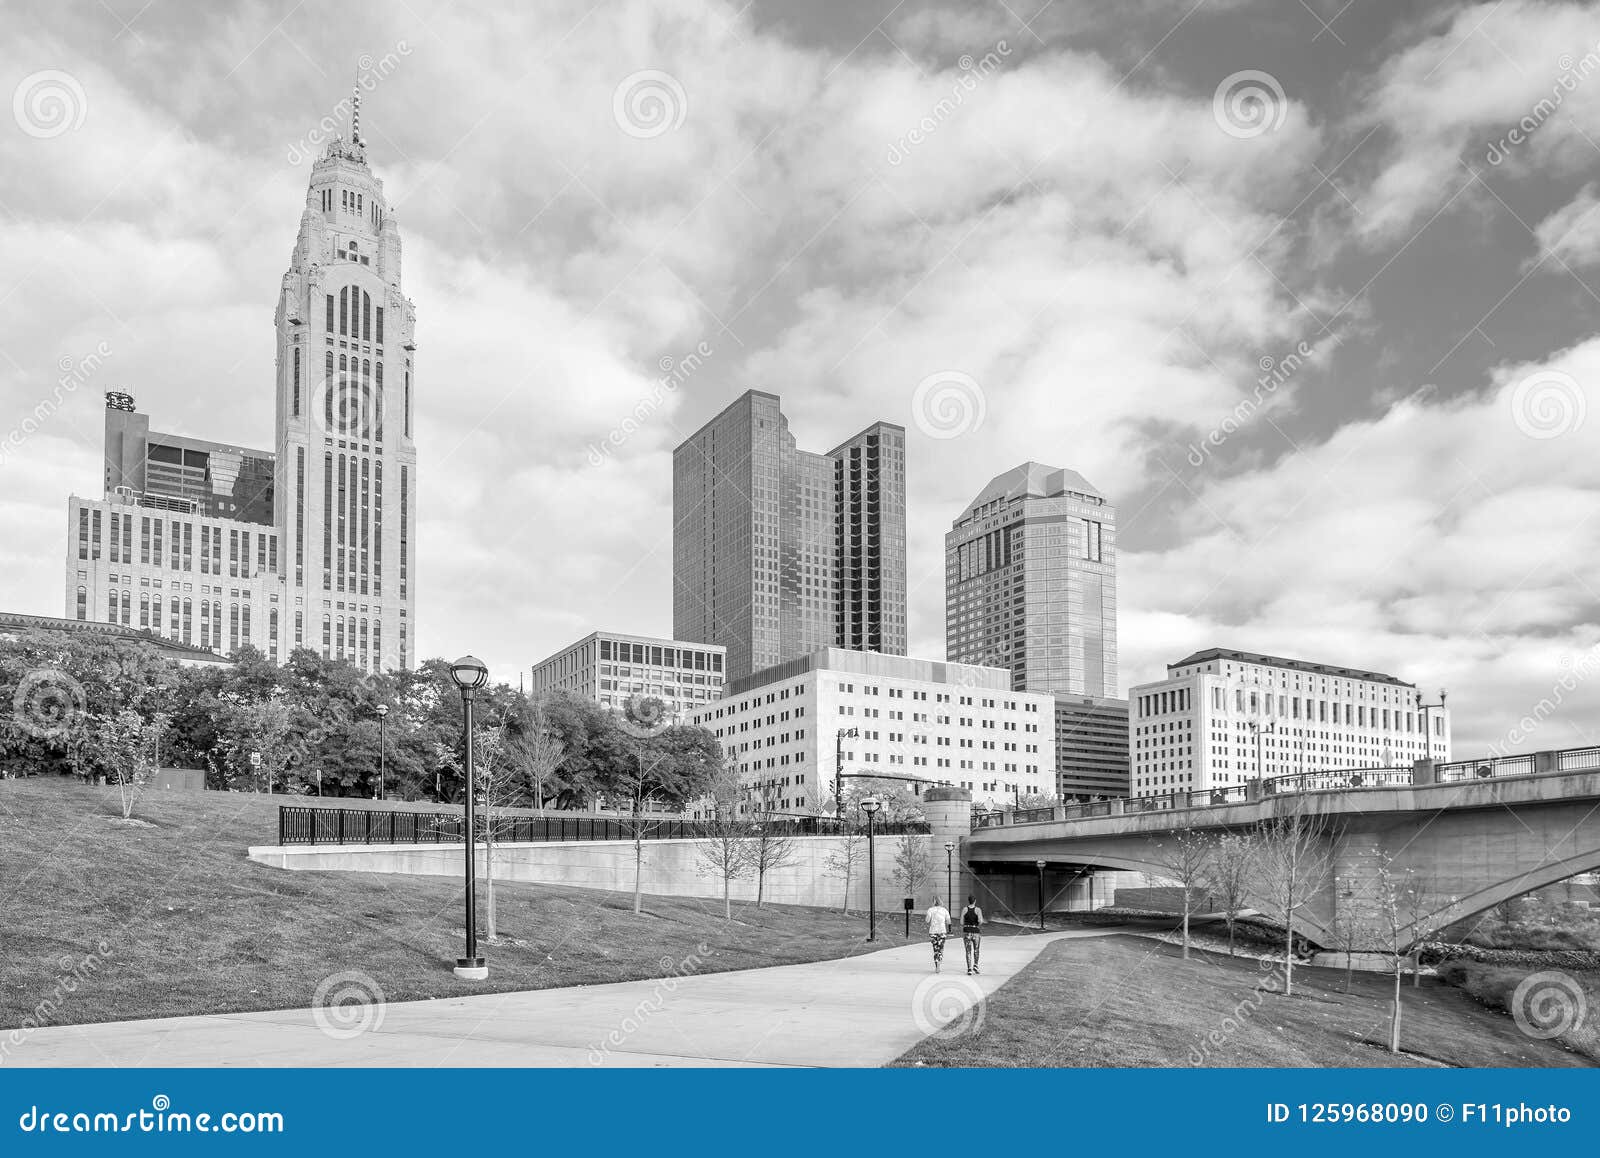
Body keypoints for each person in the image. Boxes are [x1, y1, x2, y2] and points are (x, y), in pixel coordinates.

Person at [924, 896, 952, 972]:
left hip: (933, 932)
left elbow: (927, 920)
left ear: (933, 902)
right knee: (941, 948)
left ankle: (937, 966)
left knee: (935, 949)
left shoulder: (930, 910)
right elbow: (949, 921)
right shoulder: (944, 910)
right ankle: (939, 964)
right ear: (940, 901)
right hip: (942, 932)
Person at [961, 895, 985, 975]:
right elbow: (980, 921)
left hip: (967, 931)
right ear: (975, 901)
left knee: (968, 951)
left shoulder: (965, 909)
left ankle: (969, 969)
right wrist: (977, 923)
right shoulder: (978, 910)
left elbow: (961, 922)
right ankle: (976, 965)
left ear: (969, 901)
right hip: (976, 932)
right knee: (976, 949)